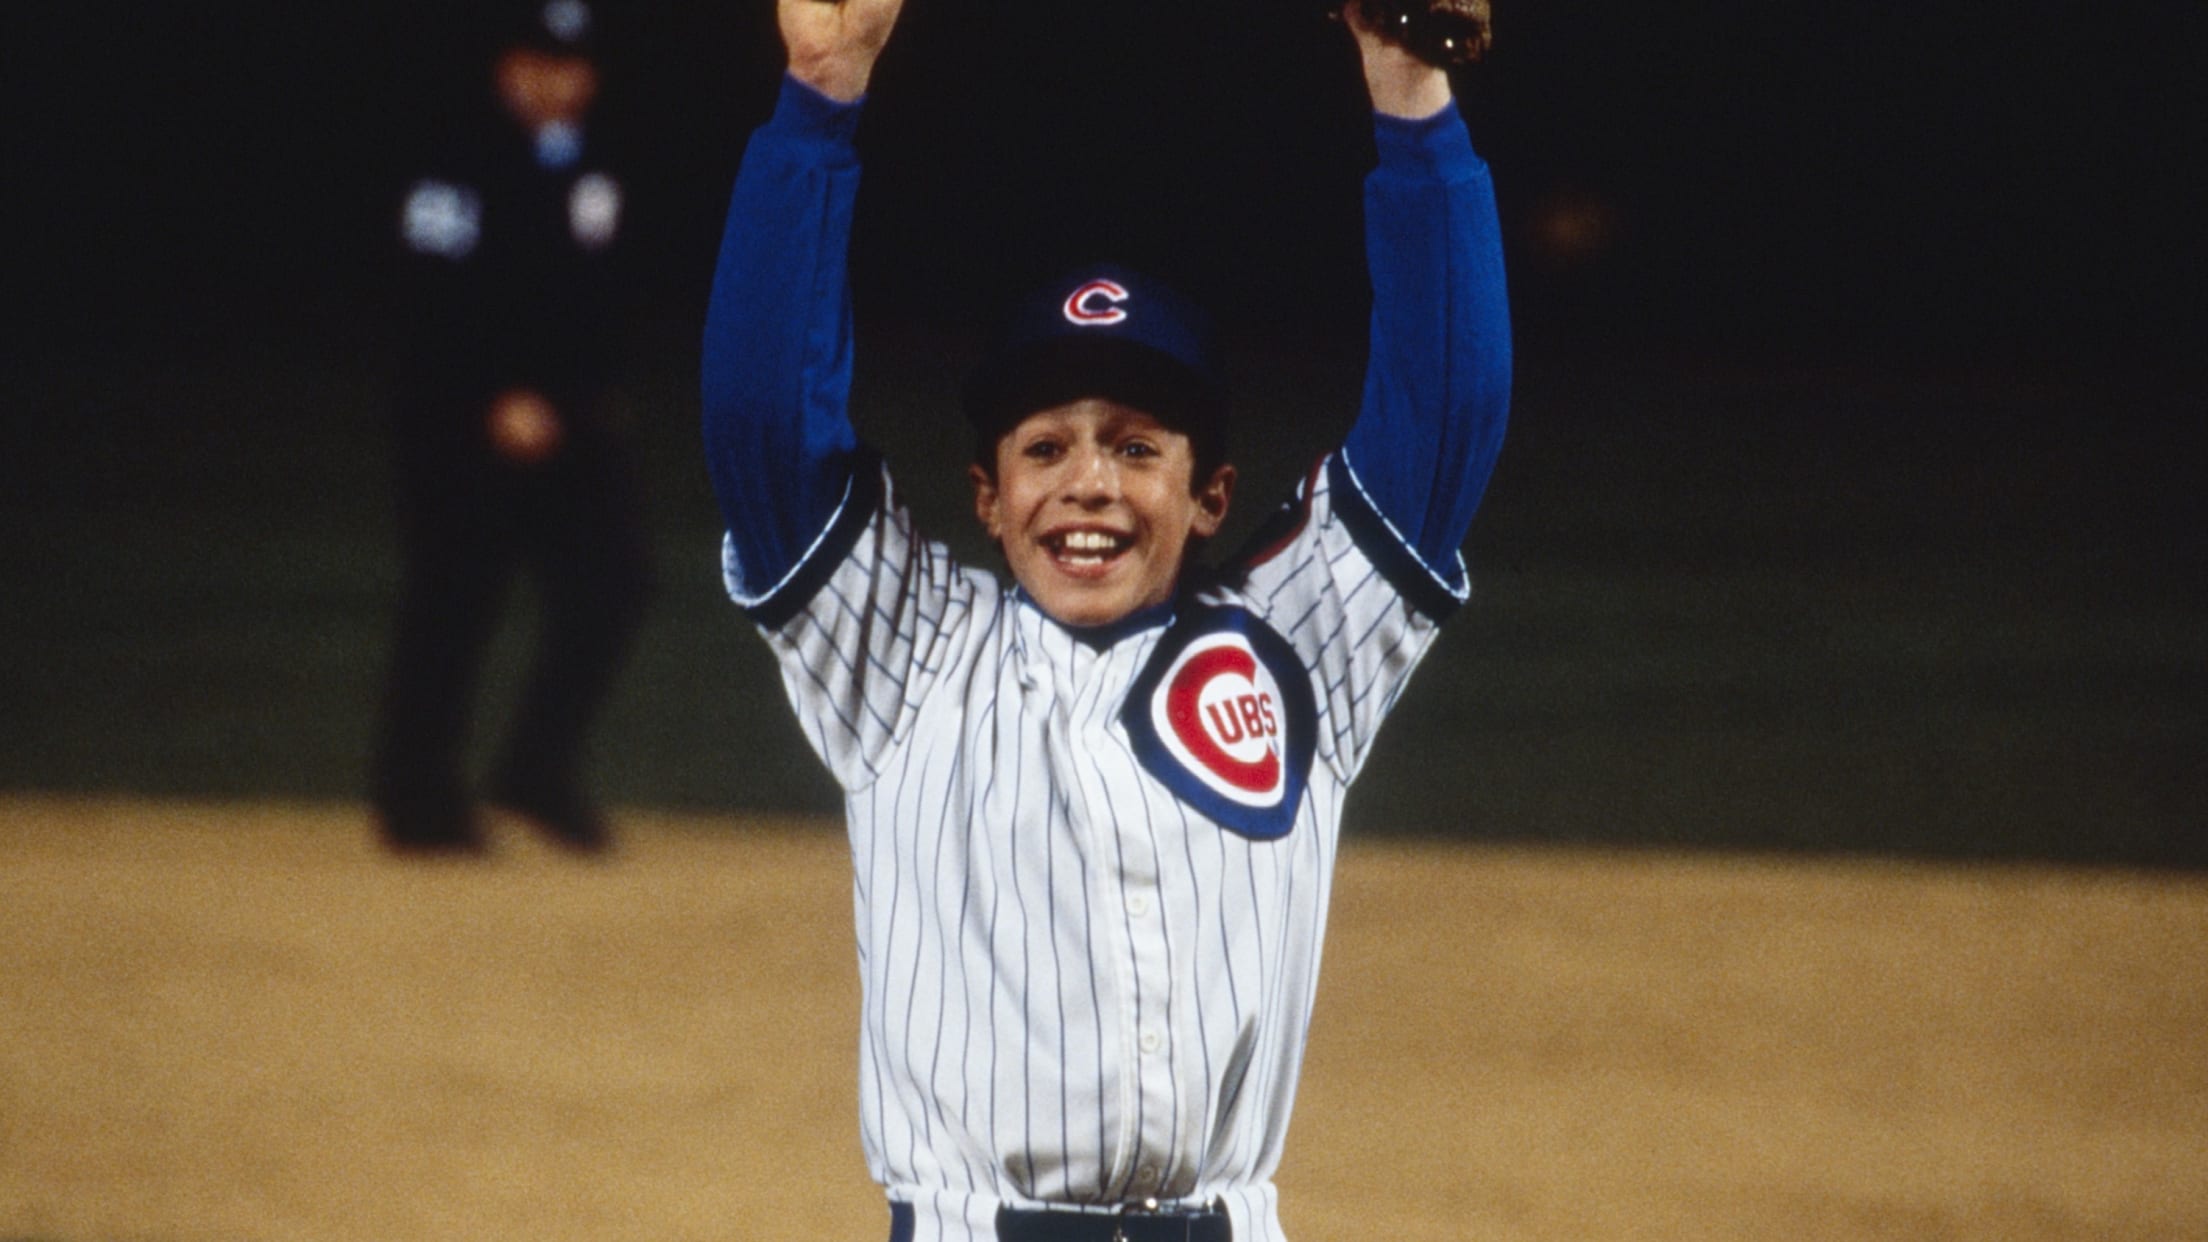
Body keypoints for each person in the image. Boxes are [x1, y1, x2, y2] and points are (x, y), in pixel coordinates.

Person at [701, 0, 1509, 1236]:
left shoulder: (1296, 652)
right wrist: (820, 93)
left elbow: (1444, 416)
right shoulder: (905, 658)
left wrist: (1412, 94)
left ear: (1209, 497)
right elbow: (765, 427)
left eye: (1137, 446)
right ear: (988, 496)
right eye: (1045, 448)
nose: (1088, 483)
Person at [370, 0, 650, 856]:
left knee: (613, 586)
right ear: (506, 69)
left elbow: (600, 298)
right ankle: (415, 795)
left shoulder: (595, 162)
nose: (554, 80)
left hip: (566, 423)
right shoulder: (456, 161)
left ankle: (535, 767)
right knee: (454, 602)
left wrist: (591, 395)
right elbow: (429, 301)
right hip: (461, 425)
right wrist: (492, 394)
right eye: (536, 62)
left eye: (570, 65)